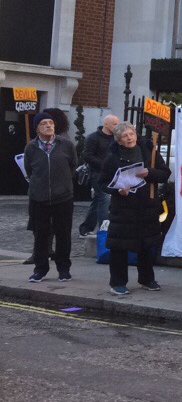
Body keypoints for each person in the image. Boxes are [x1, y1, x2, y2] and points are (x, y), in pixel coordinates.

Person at [98, 121, 170, 295]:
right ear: (118, 140)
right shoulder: (112, 157)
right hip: (123, 208)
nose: (129, 138)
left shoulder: (148, 151)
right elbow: (103, 182)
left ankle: (147, 279)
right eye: (124, 136)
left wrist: (150, 173)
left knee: (146, 245)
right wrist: (117, 190)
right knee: (119, 247)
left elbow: (165, 173)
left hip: (146, 206)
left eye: (131, 134)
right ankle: (118, 283)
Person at [24, 111, 78, 283]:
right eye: (43, 123)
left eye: (51, 123)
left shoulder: (66, 145)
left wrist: (62, 184)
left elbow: (73, 166)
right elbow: (29, 170)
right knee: (41, 234)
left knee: (63, 234)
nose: (48, 126)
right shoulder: (31, 147)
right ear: (37, 129)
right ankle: (40, 269)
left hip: (63, 197)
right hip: (39, 198)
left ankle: (64, 269)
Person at [77, 114, 118, 238]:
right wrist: (105, 164)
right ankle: (104, 230)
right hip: (97, 173)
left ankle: (86, 228)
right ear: (106, 124)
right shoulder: (93, 138)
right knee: (104, 198)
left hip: (112, 173)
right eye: (114, 124)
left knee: (98, 200)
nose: (117, 126)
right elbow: (87, 156)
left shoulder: (116, 138)